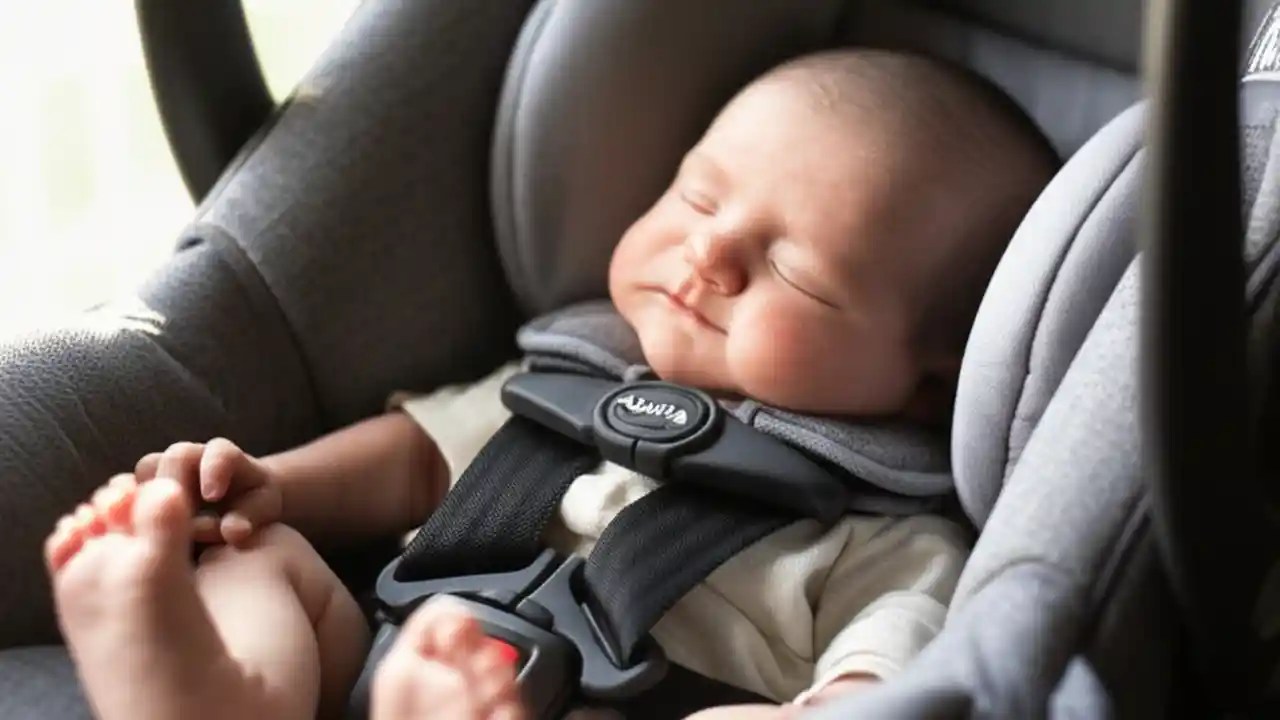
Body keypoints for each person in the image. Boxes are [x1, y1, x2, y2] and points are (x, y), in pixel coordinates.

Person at [43, 48, 1057, 720]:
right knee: (261, 558)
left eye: (792, 269)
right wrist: (272, 486)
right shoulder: (560, 386)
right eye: (694, 196)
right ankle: (206, 689)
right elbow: (412, 462)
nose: (705, 256)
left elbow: (886, 668)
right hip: (376, 659)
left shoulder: (892, 536)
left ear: (930, 386)